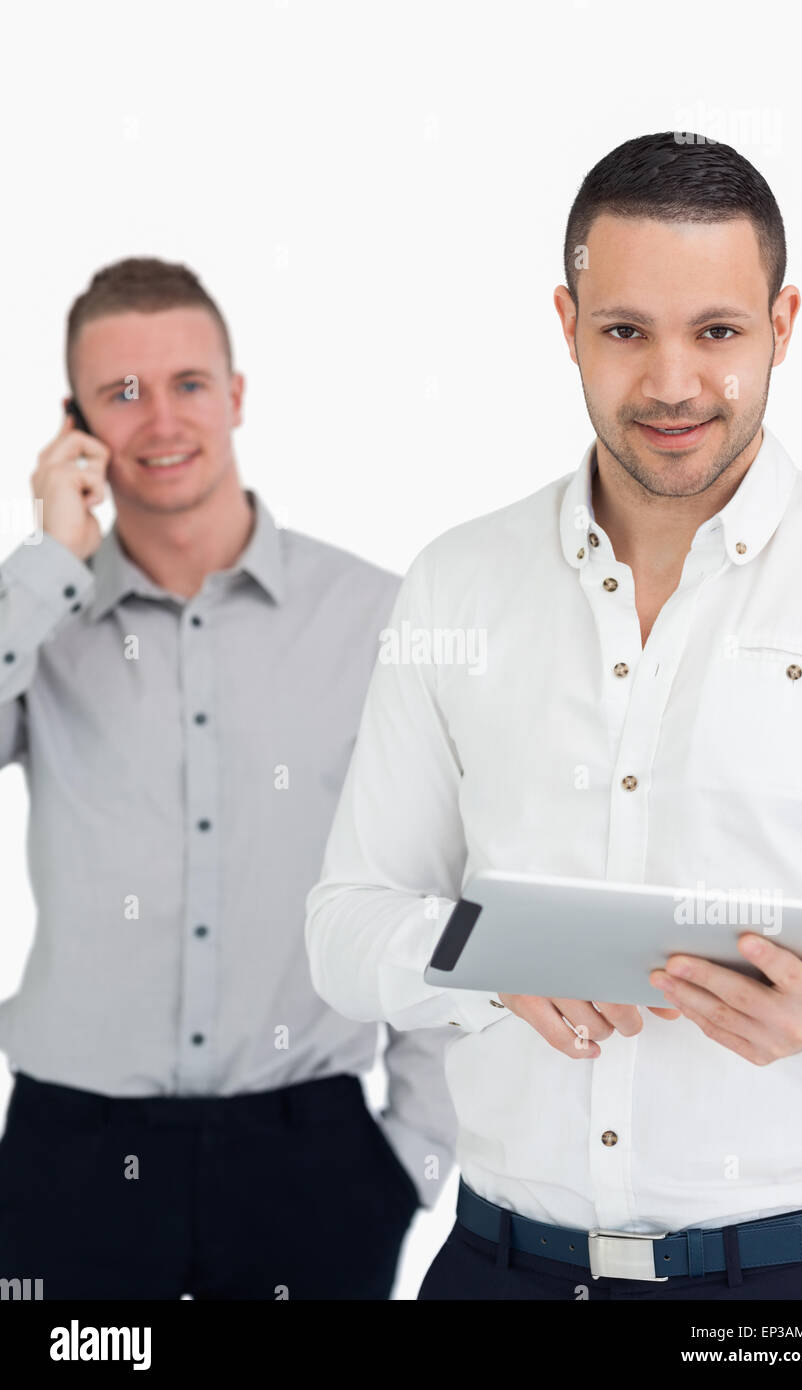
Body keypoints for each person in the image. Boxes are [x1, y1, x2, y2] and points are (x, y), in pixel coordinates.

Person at [305, 132, 802, 1301]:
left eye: (715, 331)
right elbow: (346, 923)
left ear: (784, 322)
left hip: (794, 1281)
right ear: (565, 324)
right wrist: (478, 961)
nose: (669, 383)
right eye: (624, 331)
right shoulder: (458, 582)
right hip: (498, 1264)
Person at [0, 257, 456, 1300]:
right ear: (73, 425)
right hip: (72, 1156)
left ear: (237, 394)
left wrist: (410, 1158)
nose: (160, 421)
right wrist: (45, 560)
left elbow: (444, 882)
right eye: (121, 393)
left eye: (188, 384)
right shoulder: (39, 620)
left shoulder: (375, 617)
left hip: (313, 1156)